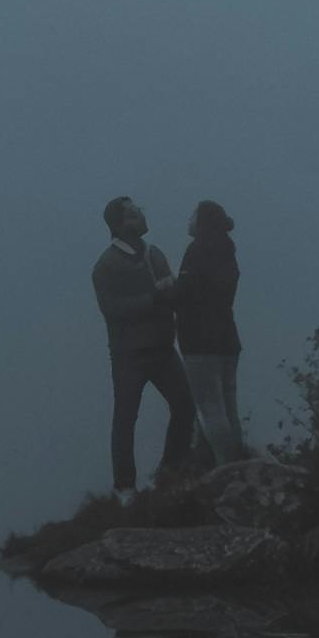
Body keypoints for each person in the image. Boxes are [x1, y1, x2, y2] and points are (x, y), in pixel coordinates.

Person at [89, 196, 197, 501]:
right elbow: (111, 309)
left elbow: (170, 294)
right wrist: (154, 298)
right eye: (135, 214)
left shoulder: (154, 253)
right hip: (129, 355)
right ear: (121, 225)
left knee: (185, 406)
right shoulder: (105, 266)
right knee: (126, 418)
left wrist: (176, 290)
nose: (142, 217)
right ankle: (125, 487)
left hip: (162, 348)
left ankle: (171, 472)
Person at [172, 199, 247, 465]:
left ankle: (228, 467)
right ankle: (234, 463)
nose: (189, 220)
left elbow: (184, 292)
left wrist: (162, 292)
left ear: (202, 221)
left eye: (193, 215)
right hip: (227, 338)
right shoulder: (227, 250)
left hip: (199, 341)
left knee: (210, 409)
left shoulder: (197, 250)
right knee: (229, 409)